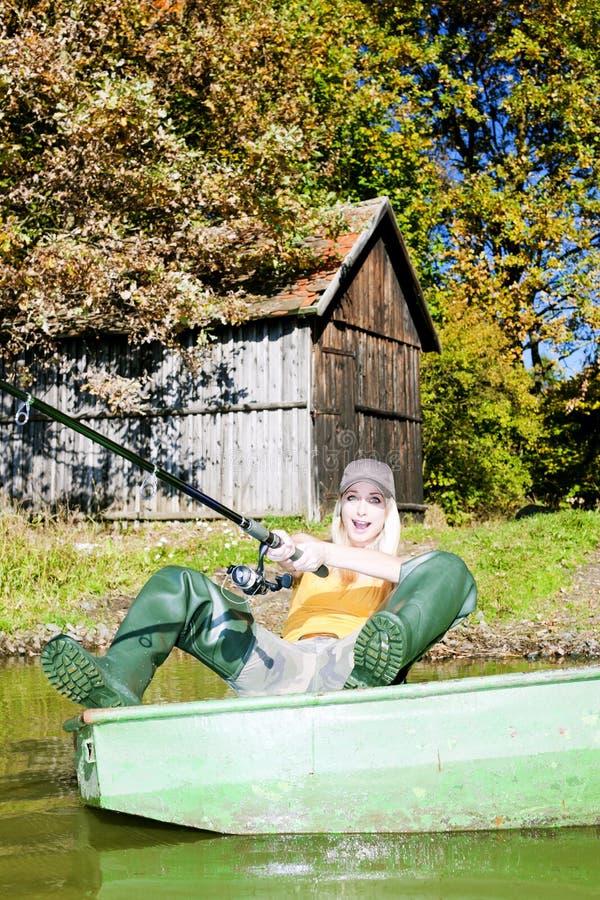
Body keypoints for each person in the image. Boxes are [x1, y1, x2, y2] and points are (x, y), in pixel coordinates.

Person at [41, 459, 477, 707]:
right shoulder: (311, 546)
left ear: (388, 512)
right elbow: (295, 550)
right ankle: (116, 684)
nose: (361, 511)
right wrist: (288, 551)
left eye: (374, 501)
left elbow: (419, 575)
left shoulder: (397, 568)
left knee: (450, 567)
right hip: (285, 667)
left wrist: (327, 554)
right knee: (176, 582)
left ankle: (372, 672)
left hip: (353, 663)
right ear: (340, 507)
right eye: (352, 499)